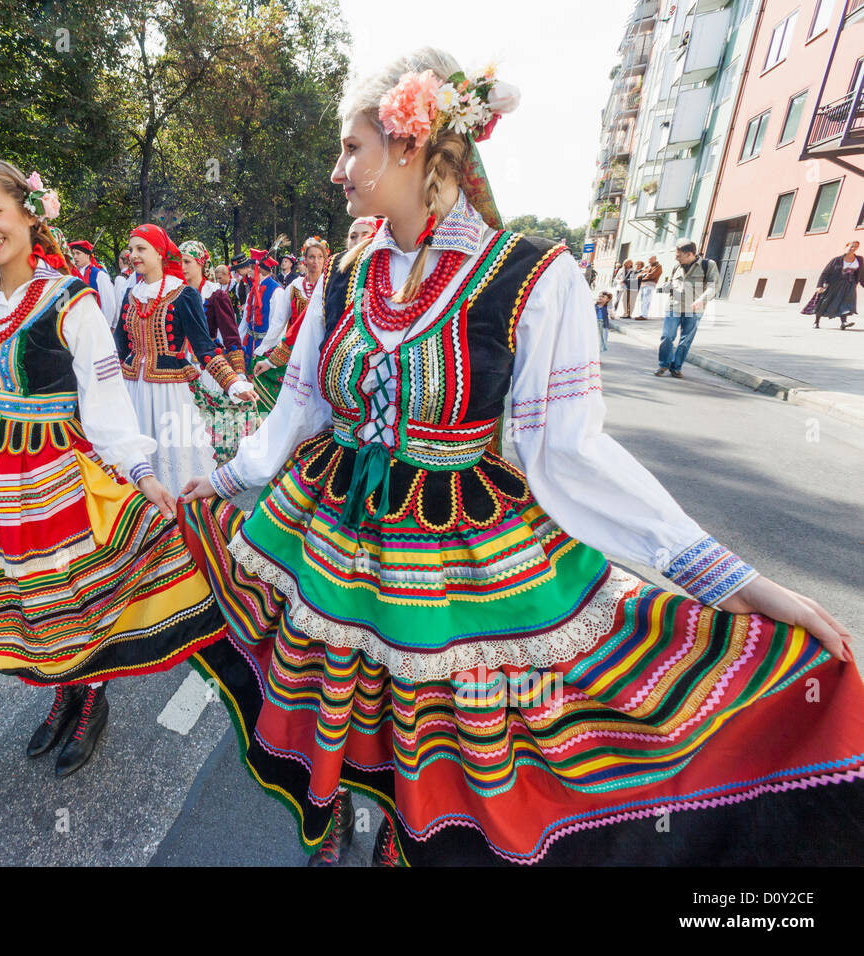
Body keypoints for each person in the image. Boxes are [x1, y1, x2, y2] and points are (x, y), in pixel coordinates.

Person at [179, 48, 864, 868]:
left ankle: (401, 841)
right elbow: (300, 410)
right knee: (352, 715)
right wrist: (214, 485)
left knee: (447, 749)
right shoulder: (346, 280)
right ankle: (353, 827)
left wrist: (736, 581)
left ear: (410, 145)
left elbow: (569, 454)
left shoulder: (534, 277)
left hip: (455, 563)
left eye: (352, 147)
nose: (337, 171)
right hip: (331, 544)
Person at [0, 156, 231, 777]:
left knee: (67, 590)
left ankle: (91, 696)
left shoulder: (69, 301)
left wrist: (140, 472)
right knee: (27, 592)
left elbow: (106, 405)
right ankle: (63, 690)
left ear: (30, 212)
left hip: (55, 469)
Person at [117, 224, 255, 493]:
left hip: (170, 393)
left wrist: (232, 382)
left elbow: (204, 347)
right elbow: (120, 349)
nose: (134, 255)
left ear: (159, 253)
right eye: (132, 249)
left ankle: (178, 523)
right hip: (132, 392)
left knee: (172, 462)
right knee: (136, 464)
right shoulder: (130, 294)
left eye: (141, 248)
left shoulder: (183, 293)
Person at [180, 239, 257, 466]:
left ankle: (212, 472)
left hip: (207, 368)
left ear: (201, 263)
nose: (182, 267)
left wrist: (239, 374)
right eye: (180, 261)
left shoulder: (215, 295)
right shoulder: (175, 292)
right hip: (180, 368)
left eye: (187, 262)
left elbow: (231, 337)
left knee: (207, 426)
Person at [253, 235, 329, 408]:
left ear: (325, 260)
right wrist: (264, 347)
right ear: (304, 260)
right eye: (311, 257)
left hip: (322, 349)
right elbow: (279, 320)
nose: (315, 261)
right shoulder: (295, 286)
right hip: (295, 349)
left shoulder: (329, 286)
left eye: (320, 257)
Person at [656, 240, 719, 378]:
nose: (676, 258)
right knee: (667, 336)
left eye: (679, 256)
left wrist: (701, 299)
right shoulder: (676, 266)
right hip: (674, 306)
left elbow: (713, 287)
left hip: (694, 310)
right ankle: (663, 365)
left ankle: (676, 367)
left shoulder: (708, 265)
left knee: (685, 341)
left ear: (690, 254)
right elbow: (672, 283)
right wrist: (665, 287)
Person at [230, 249, 289, 367]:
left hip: (266, 348)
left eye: (250, 268)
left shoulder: (276, 291)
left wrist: (263, 348)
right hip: (250, 344)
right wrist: (238, 342)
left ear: (258, 269)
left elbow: (277, 325)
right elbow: (245, 321)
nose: (248, 272)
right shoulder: (253, 291)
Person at [810, 240, 862, 330]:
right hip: (834, 284)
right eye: (852, 246)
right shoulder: (836, 260)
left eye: (856, 246)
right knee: (825, 302)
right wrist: (820, 285)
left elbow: (862, 274)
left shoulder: (859, 259)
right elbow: (825, 273)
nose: (853, 248)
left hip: (850, 285)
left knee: (846, 302)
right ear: (846, 246)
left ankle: (844, 322)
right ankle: (816, 321)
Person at [69, 240, 118, 328]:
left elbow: (109, 304)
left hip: (96, 325)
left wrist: (106, 326)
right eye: (74, 254)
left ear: (87, 254)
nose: (75, 257)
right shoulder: (73, 275)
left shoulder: (100, 275)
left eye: (78, 253)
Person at [636, 254, 662, 319]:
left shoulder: (658, 266)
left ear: (655, 259)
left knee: (646, 300)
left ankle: (644, 315)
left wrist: (643, 276)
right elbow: (640, 274)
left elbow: (652, 275)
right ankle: (642, 314)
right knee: (642, 300)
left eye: (651, 259)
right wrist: (644, 275)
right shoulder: (647, 266)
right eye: (649, 259)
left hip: (650, 285)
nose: (649, 260)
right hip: (643, 285)